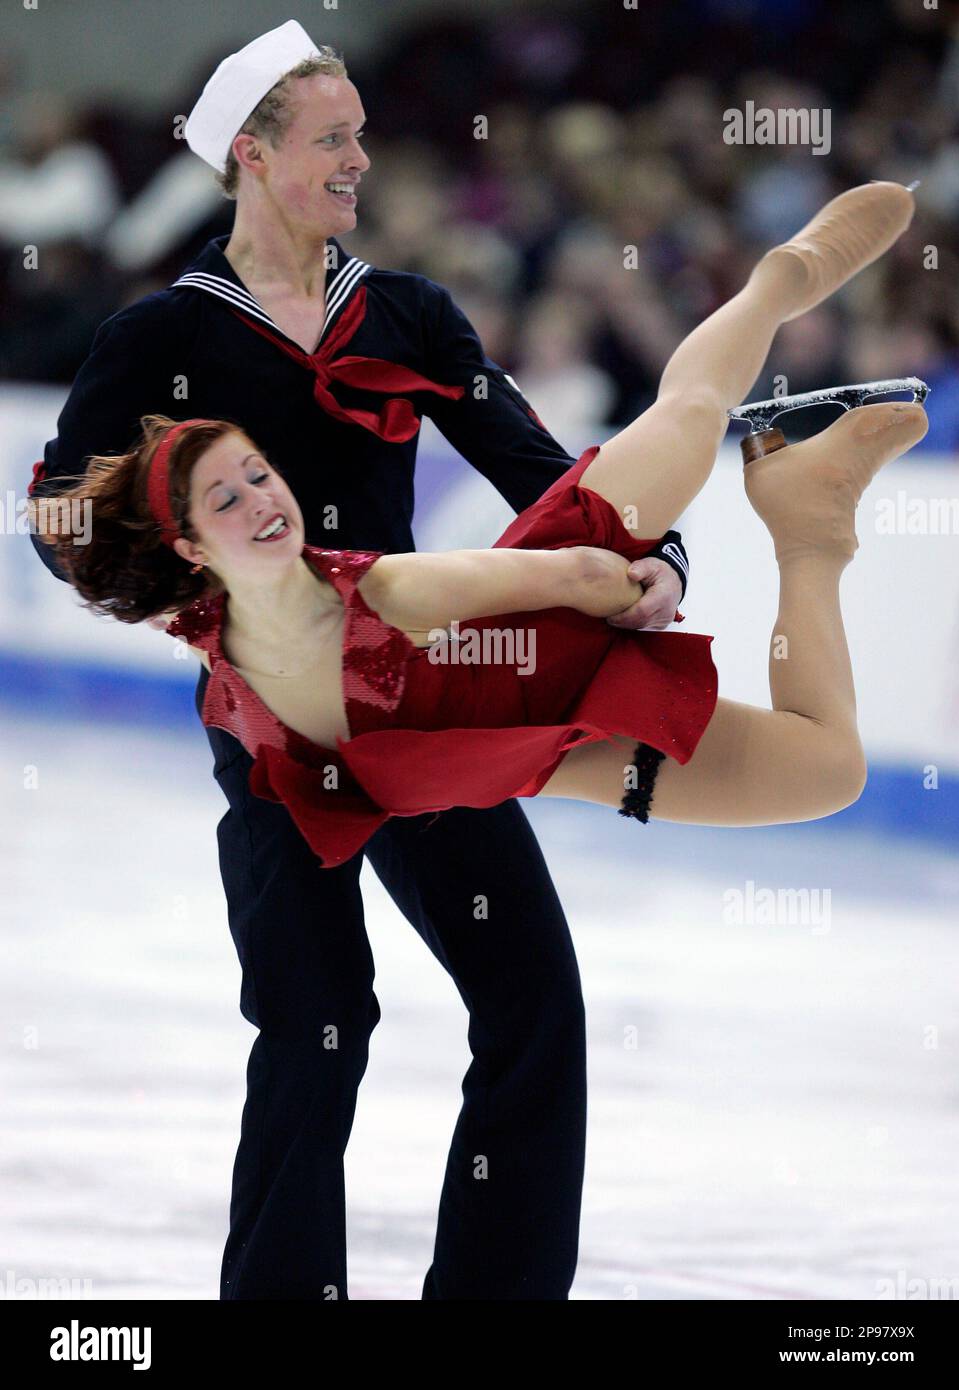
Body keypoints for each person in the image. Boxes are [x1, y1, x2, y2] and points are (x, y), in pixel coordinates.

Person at [26, 21, 690, 1300]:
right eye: (333, 137)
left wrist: (652, 555)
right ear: (255, 157)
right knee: (316, 1019)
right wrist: (161, 583)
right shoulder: (162, 334)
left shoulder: (409, 314)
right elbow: (57, 509)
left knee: (533, 1002)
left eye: (360, 135)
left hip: (419, 709)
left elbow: (545, 474)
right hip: (274, 720)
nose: (359, 159)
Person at [37, 182, 928, 870]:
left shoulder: (365, 587)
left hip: (555, 607)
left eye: (260, 475)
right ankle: (809, 526)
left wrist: (642, 573)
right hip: (553, 752)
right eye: (229, 499)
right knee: (827, 773)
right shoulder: (219, 647)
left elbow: (576, 580)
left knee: (693, 410)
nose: (265, 500)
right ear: (189, 546)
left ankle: (777, 282)